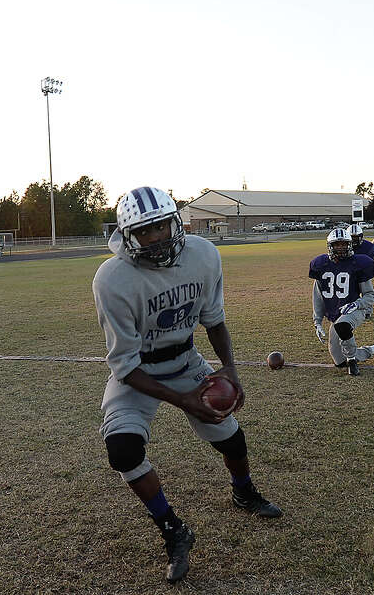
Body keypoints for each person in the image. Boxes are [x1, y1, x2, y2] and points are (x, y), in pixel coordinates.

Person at [92, 186, 281, 585]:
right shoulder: (113, 278)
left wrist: (230, 369)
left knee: (231, 439)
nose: (157, 237)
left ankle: (243, 492)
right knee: (122, 450)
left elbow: (213, 319)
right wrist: (183, 401)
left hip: (184, 358)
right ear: (128, 236)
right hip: (139, 372)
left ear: (176, 221)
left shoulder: (203, 254)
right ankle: (173, 530)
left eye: (162, 226)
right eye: (145, 232)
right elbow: (125, 366)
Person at [309, 226, 374, 375]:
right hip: (336, 315)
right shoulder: (322, 265)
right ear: (330, 246)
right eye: (336, 244)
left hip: (354, 311)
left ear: (349, 244)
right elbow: (318, 297)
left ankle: (352, 361)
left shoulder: (357, 263)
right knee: (339, 361)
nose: (340, 248)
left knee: (343, 325)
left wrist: (356, 304)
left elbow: (370, 295)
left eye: (343, 244)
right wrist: (317, 322)